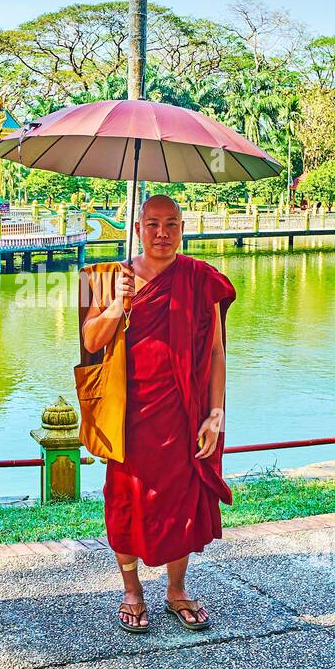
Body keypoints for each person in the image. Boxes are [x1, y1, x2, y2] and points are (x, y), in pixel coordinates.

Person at [81, 194, 235, 633]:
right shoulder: (111, 278)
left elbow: (217, 351)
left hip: (183, 413)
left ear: (183, 228)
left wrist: (216, 411)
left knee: (179, 500)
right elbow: (92, 341)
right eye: (152, 224)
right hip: (127, 414)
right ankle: (131, 590)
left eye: (171, 224)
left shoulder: (200, 278)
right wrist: (118, 305)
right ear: (137, 228)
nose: (162, 233)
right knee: (127, 500)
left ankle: (176, 588)